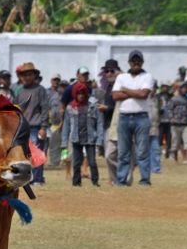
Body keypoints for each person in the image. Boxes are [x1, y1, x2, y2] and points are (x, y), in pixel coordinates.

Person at [112, 50, 154, 186]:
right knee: (123, 152)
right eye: (133, 61)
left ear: (142, 62)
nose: (136, 63)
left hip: (141, 117)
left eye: (138, 61)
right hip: (124, 117)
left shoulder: (147, 76)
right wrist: (135, 92)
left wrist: (125, 90)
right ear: (129, 62)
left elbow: (143, 95)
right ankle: (121, 180)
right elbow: (115, 96)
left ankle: (145, 180)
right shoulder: (121, 77)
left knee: (142, 152)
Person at [13, 62, 50, 186]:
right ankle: (26, 178)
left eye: (30, 74)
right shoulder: (19, 90)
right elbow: (15, 109)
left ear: (34, 75)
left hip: (36, 126)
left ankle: (37, 179)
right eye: (25, 75)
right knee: (22, 153)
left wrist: (43, 127)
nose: (27, 77)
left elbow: (45, 109)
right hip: (21, 127)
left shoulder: (40, 90)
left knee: (36, 153)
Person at [62, 83, 102, 186]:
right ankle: (76, 182)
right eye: (78, 93)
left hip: (90, 138)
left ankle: (95, 182)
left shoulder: (93, 106)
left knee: (92, 162)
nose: (81, 96)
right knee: (76, 163)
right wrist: (64, 142)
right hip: (76, 138)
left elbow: (99, 123)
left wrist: (99, 139)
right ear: (75, 94)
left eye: (83, 93)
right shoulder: (70, 107)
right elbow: (66, 125)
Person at [168, 83, 187, 164]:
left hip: (186, 123)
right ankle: (174, 159)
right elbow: (169, 109)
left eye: (186, 88)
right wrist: (171, 118)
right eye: (183, 88)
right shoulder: (174, 99)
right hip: (175, 123)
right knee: (175, 141)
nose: (184, 90)